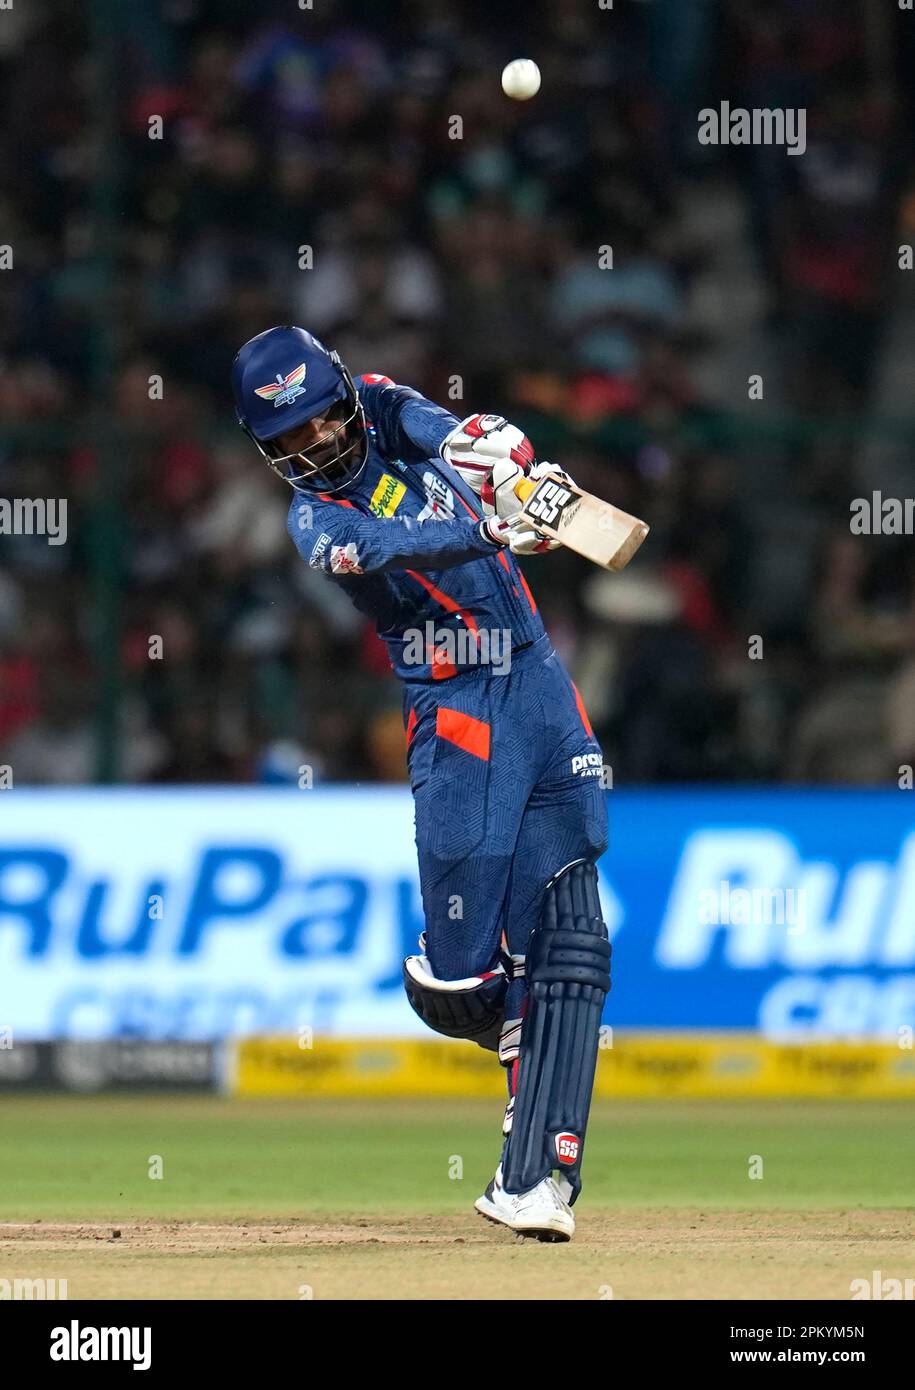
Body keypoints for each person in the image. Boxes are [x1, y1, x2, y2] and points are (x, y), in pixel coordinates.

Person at [231, 325, 610, 1240]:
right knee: (458, 983)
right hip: (457, 703)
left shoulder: (377, 402)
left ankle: (536, 1184)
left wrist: (494, 455)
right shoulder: (316, 522)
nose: (315, 448)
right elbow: (397, 548)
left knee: (574, 940)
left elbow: (430, 423)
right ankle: (510, 1020)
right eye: (289, 444)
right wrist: (489, 522)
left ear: (340, 402)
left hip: (539, 682)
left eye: (322, 424)